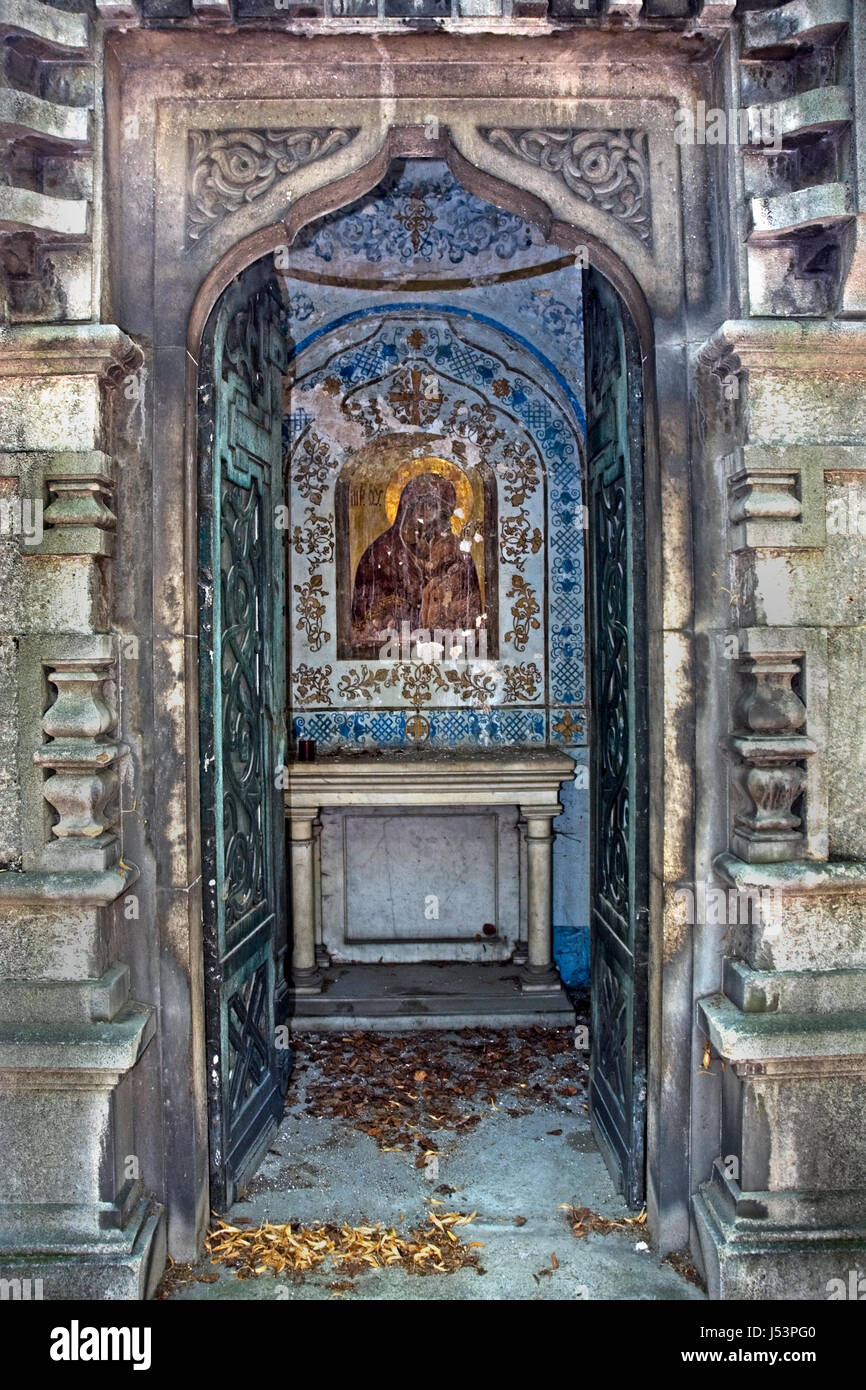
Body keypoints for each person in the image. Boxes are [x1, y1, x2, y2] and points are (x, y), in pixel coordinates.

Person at [351, 472, 483, 647]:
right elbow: (362, 623)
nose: (436, 520)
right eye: (428, 507)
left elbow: (473, 617)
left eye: (444, 514)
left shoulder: (459, 555)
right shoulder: (380, 554)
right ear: (409, 509)